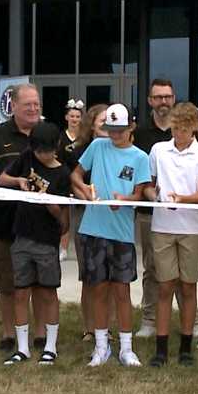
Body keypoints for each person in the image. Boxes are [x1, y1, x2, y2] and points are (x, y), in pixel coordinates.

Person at [71, 103, 152, 367]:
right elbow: (75, 175)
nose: (114, 135)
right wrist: (83, 189)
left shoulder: (140, 157)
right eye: (110, 130)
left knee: (122, 291)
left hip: (121, 234)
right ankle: (101, 347)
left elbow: (140, 194)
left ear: (131, 128)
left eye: (119, 130)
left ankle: (126, 349)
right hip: (93, 230)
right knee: (98, 290)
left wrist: (125, 199)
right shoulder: (97, 147)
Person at [142, 102, 198, 367]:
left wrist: (181, 199)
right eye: (174, 128)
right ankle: (161, 349)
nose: (178, 134)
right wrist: (157, 197)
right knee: (164, 286)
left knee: (188, 287)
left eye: (183, 129)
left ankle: (186, 347)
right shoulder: (158, 150)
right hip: (162, 227)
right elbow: (148, 186)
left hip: (191, 229)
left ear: (193, 128)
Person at [0, 83, 42, 352]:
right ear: (12, 106)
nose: (34, 109)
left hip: (40, 225)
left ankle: (38, 334)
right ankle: (8, 333)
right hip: (3, 222)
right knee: (6, 282)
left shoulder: (49, 134)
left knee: (39, 282)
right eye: (28, 105)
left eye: (37, 104)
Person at [0, 122, 71, 366]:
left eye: (47, 151)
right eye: (39, 151)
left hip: (46, 241)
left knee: (49, 292)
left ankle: (50, 346)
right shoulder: (27, 157)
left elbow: (63, 218)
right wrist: (18, 181)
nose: (42, 156)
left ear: (56, 147)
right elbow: (2, 178)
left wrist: (49, 203)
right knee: (21, 292)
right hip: (21, 237)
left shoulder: (63, 174)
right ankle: (22, 348)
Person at [133, 79, 176, 339]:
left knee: (183, 271)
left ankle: (189, 323)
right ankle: (149, 319)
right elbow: (138, 175)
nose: (163, 102)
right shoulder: (140, 135)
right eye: (158, 97)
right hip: (150, 213)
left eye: (167, 97)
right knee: (151, 268)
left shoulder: (183, 131)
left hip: (182, 214)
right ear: (150, 101)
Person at [66, 103, 109, 338]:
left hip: (113, 216)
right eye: (102, 120)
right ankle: (90, 328)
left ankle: (107, 326)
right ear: (91, 124)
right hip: (86, 216)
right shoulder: (78, 151)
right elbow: (72, 178)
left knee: (110, 277)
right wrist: (82, 189)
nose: (107, 124)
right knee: (90, 277)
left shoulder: (119, 148)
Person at [57, 99, 84, 260]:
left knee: (81, 215)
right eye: (72, 116)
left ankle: (82, 244)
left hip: (81, 181)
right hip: (65, 181)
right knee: (64, 215)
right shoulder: (61, 138)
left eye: (77, 116)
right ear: (67, 118)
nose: (74, 119)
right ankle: (64, 248)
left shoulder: (85, 138)